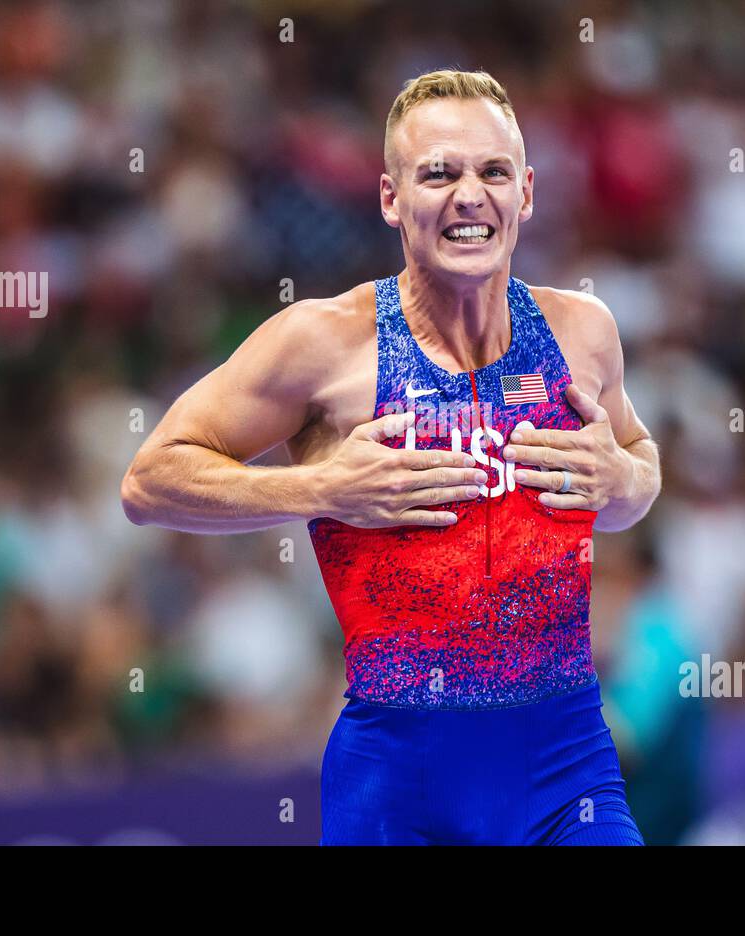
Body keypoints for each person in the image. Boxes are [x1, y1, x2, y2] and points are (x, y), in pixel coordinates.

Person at [122, 69, 661, 845]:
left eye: (492, 172)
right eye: (438, 173)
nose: (469, 196)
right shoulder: (324, 344)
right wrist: (320, 487)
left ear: (528, 192)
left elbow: (637, 470)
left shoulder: (583, 332)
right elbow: (150, 480)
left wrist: (623, 478)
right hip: (396, 782)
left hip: (563, 764)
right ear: (390, 198)